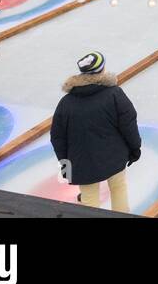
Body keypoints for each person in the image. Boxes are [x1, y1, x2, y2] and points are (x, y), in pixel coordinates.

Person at [50, 52, 141, 213]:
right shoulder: (114, 95)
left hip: (82, 163)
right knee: (119, 188)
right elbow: (128, 123)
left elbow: (58, 137)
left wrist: (65, 166)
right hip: (114, 156)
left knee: (89, 199)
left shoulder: (66, 103)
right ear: (102, 69)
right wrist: (135, 148)